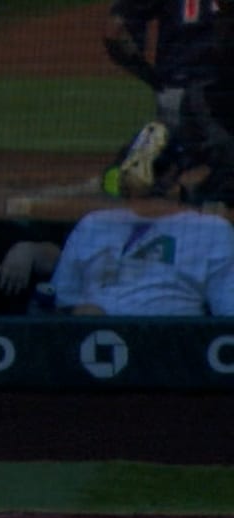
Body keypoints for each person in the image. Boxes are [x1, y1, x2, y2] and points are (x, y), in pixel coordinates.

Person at [50, 120, 234, 315]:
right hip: (169, 341)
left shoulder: (94, 224)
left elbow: (63, 300)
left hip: (109, 340)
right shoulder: (212, 229)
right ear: (178, 174)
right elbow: (228, 312)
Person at [103, 0, 234, 205]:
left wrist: (148, 75)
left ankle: (135, 166)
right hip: (217, 90)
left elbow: (114, 31)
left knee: (177, 145)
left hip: (172, 88)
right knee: (218, 162)